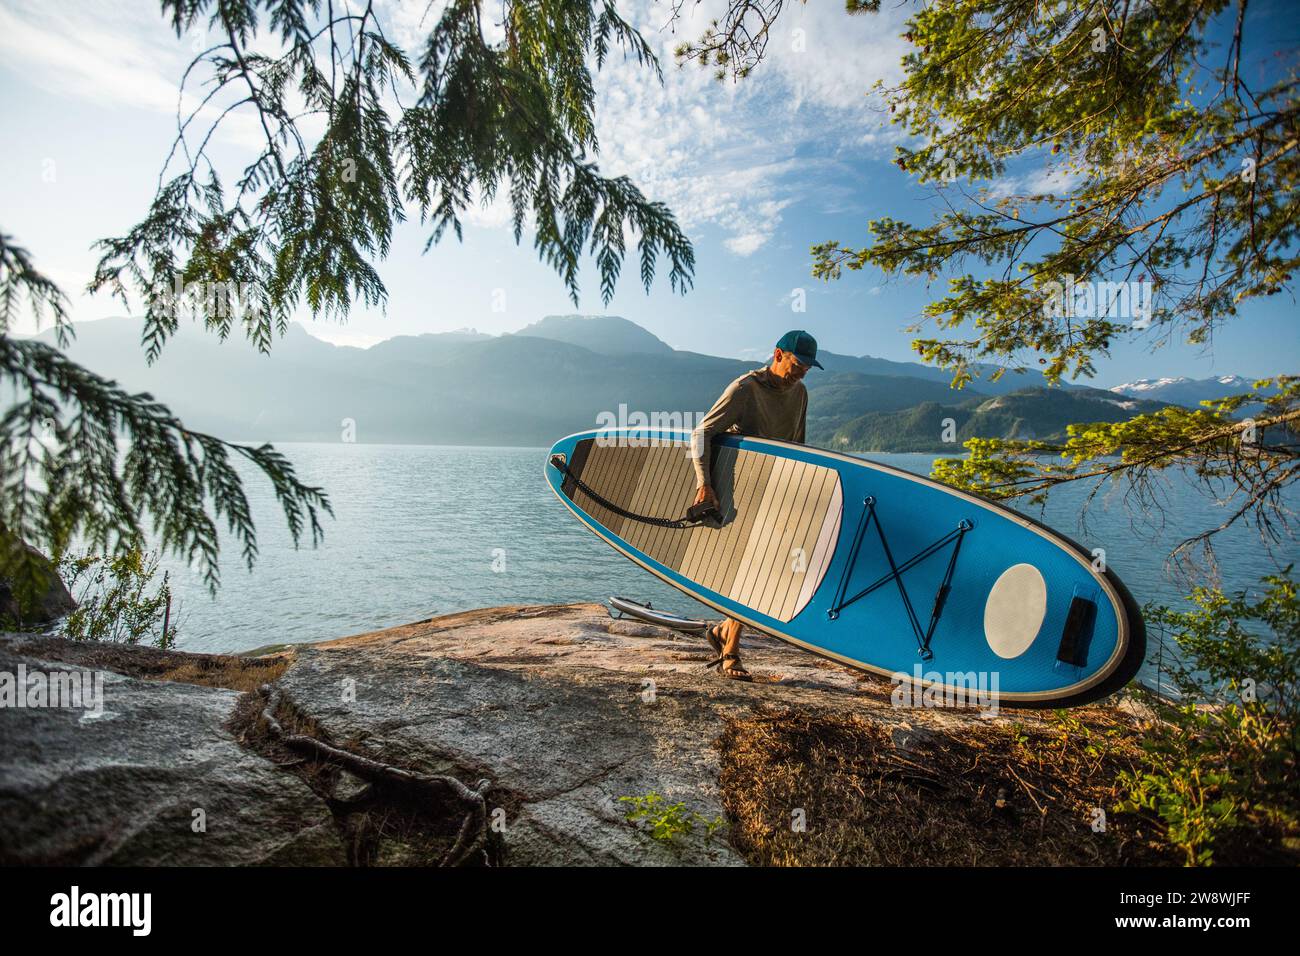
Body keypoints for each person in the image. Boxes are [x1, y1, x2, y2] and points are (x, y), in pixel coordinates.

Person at [690, 329, 822, 680]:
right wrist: (705, 485)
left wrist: (801, 490)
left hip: (778, 490)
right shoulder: (745, 388)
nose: (801, 373)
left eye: (807, 368)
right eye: (797, 364)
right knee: (750, 568)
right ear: (778, 354)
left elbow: (798, 444)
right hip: (741, 489)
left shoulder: (801, 393)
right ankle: (730, 651)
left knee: (764, 568)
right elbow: (702, 433)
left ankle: (722, 634)